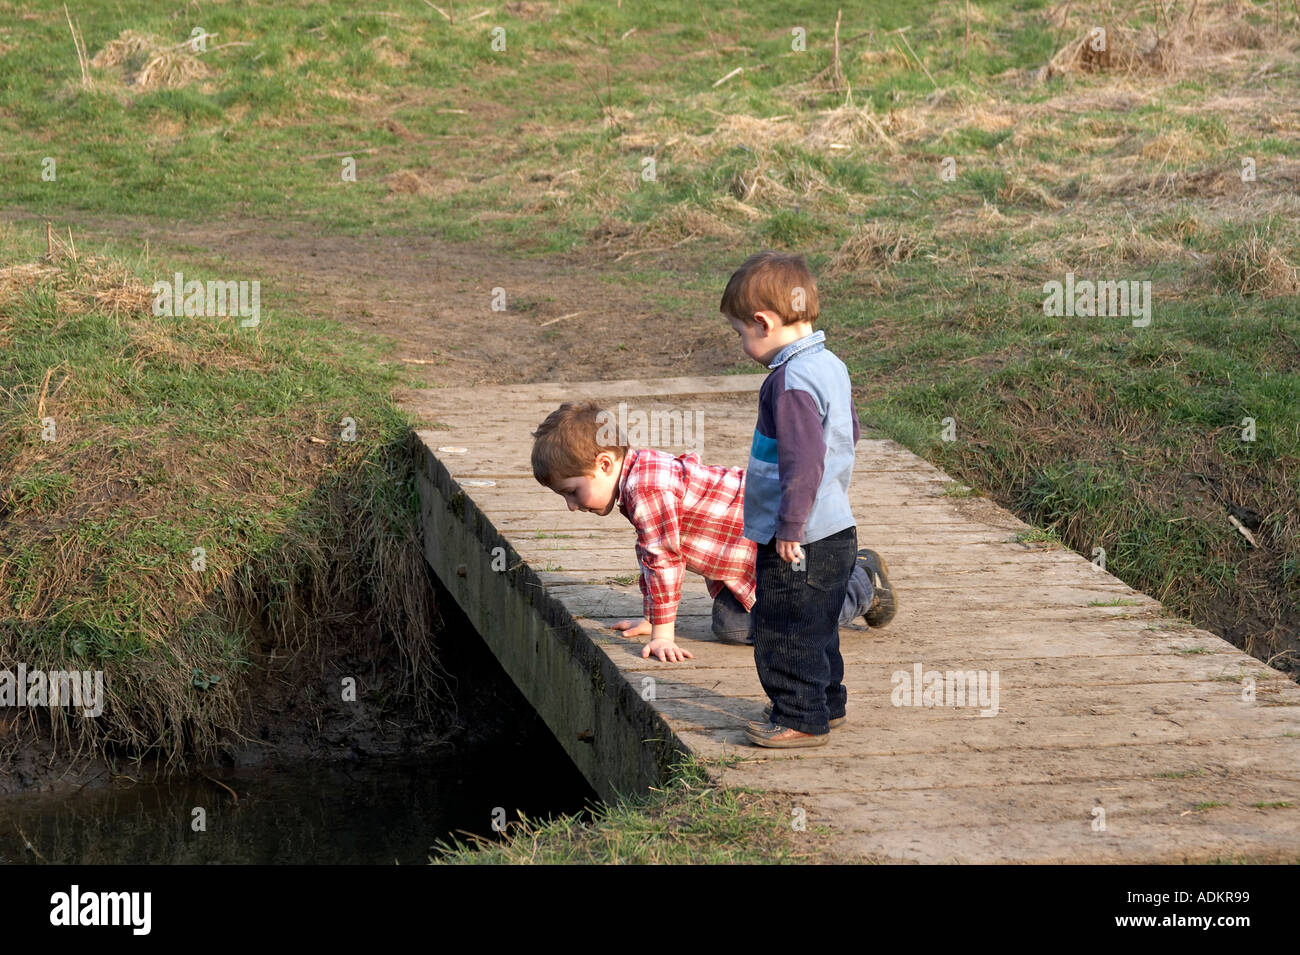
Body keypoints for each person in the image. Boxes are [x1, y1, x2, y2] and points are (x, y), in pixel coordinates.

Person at [529, 401, 888, 663]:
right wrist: (652, 616)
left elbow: (663, 560)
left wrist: (662, 636)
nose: (572, 506)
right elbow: (651, 554)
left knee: (794, 624)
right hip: (745, 558)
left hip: (780, 544)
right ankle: (843, 574)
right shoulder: (636, 475)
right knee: (731, 625)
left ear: (604, 463)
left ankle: (862, 583)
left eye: (572, 492)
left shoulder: (646, 489)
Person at [721, 250, 893, 748]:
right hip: (838, 526)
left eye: (740, 333)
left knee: (783, 626)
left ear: (763, 322)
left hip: (801, 535)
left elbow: (802, 462)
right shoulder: (829, 364)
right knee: (819, 624)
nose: (741, 343)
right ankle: (825, 704)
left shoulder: (789, 382)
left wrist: (791, 527)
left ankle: (798, 716)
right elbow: (849, 430)